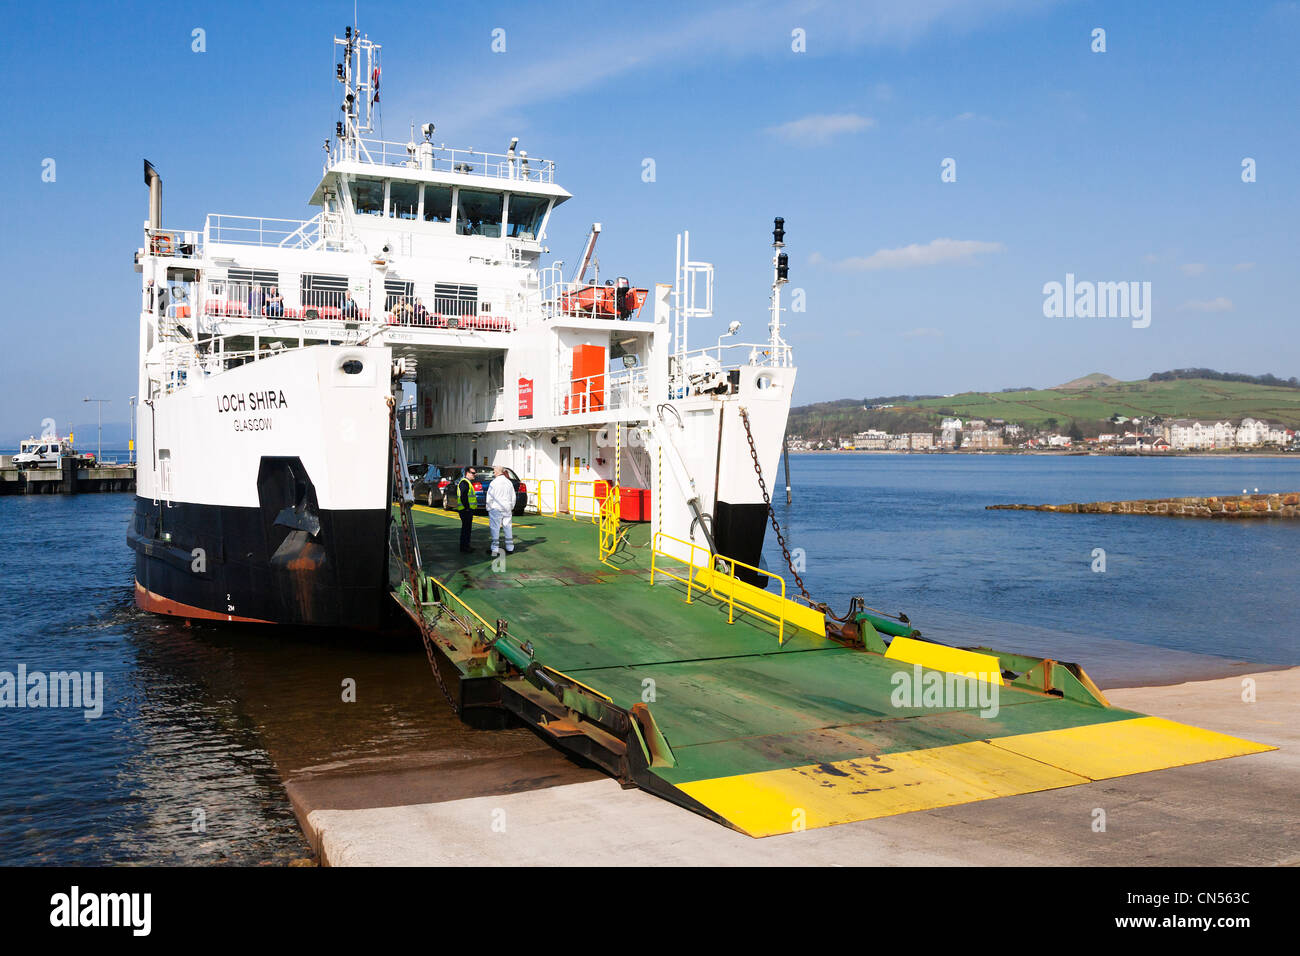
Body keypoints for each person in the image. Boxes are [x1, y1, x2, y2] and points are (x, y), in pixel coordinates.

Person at [485, 466, 517, 556]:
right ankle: (510, 548)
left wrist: (489, 507)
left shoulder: (494, 483)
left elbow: (489, 497)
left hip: (496, 508)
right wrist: (511, 506)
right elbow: (513, 496)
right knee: (508, 527)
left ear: (497, 472)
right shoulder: (509, 482)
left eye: (494, 471)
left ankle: (495, 548)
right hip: (507, 508)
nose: (493, 473)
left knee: (495, 528)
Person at [455, 467, 477, 553]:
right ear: (467, 473)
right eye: (473, 473)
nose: (474, 474)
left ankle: (466, 546)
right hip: (465, 511)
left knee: (467, 529)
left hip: (466, 510)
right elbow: (463, 496)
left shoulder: (466, 482)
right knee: (466, 530)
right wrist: (467, 508)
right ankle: (464, 548)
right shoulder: (464, 483)